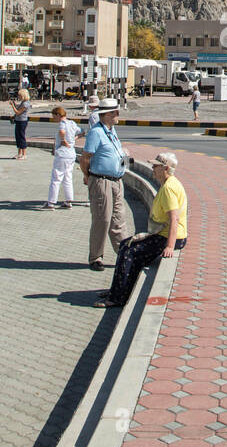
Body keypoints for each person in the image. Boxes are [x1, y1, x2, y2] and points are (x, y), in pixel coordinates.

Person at [94, 152, 187, 308]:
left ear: (166, 168)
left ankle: (118, 298)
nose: (152, 168)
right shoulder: (168, 183)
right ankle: (117, 290)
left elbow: (174, 219)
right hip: (162, 234)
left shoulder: (169, 189)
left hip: (171, 237)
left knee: (129, 252)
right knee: (125, 244)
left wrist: (170, 246)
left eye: (156, 166)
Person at [79, 98, 128, 271]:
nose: (118, 115)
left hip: (116, 181)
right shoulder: (96, 133)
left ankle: (124, 253)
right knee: (102, 219)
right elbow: (85, 158)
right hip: (102, 180)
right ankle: (96, 257)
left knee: (118, 220)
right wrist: (88, 177)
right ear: (107, 114)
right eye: (116, 112)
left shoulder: (111, 130)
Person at [44, 106, 83, 209]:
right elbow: (82, 132)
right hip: (71, 153)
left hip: (62, 153)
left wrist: (63, 140)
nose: (53, 119)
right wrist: (73, 139)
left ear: (58, 115)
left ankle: (51, 202)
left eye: (54, 116)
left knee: (56, 177)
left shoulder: (62, 123)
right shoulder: (72, 123)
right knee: (68, 177)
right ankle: (68, 200)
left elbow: (62, 132)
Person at [11, 88, 31, 159]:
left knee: (21, 137)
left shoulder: (26, 104)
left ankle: (24, 154)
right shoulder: (23, 102)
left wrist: (12, 106)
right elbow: (19, 108)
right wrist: (15, 104)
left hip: (22, 121)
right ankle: (19, 153)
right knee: (18, 137)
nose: (18, 97)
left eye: (20, 95)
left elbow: (18, 112)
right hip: (18, 120)